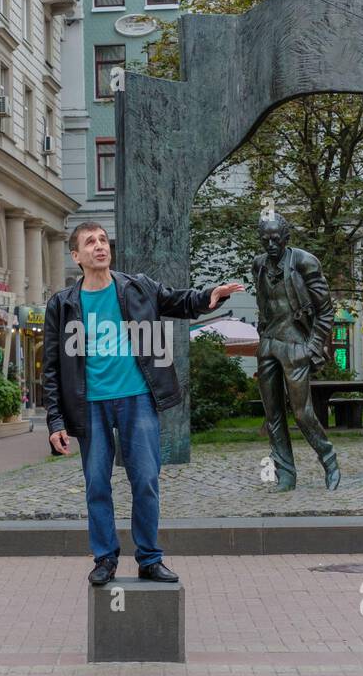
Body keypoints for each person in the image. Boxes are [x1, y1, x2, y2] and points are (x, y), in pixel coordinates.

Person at [43, 221, 243, 587]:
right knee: (97, 485)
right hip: (91, 406)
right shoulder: (62, 304)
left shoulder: (137, 287)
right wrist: (56, 421)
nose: (99, 246)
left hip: (137, 399)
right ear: (76, 256)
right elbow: (52, 367)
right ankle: (105, 558)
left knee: (146, 481)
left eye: (103, 240)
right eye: (90, 242)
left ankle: (149, 558)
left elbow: (178, 301)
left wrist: (210, 294)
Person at [251, 215, 341, 492]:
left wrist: (313, 346)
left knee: (302, 414)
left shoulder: (304, 262)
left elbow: (326, 310)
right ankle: (286, 474)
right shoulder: (259, 265)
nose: (271, 244)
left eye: (276, 238)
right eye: (266, 239)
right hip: (268, 344)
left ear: (286, 238)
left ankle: (329, 460)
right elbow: (265, 305)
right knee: (273, 415)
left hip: (295, 345)